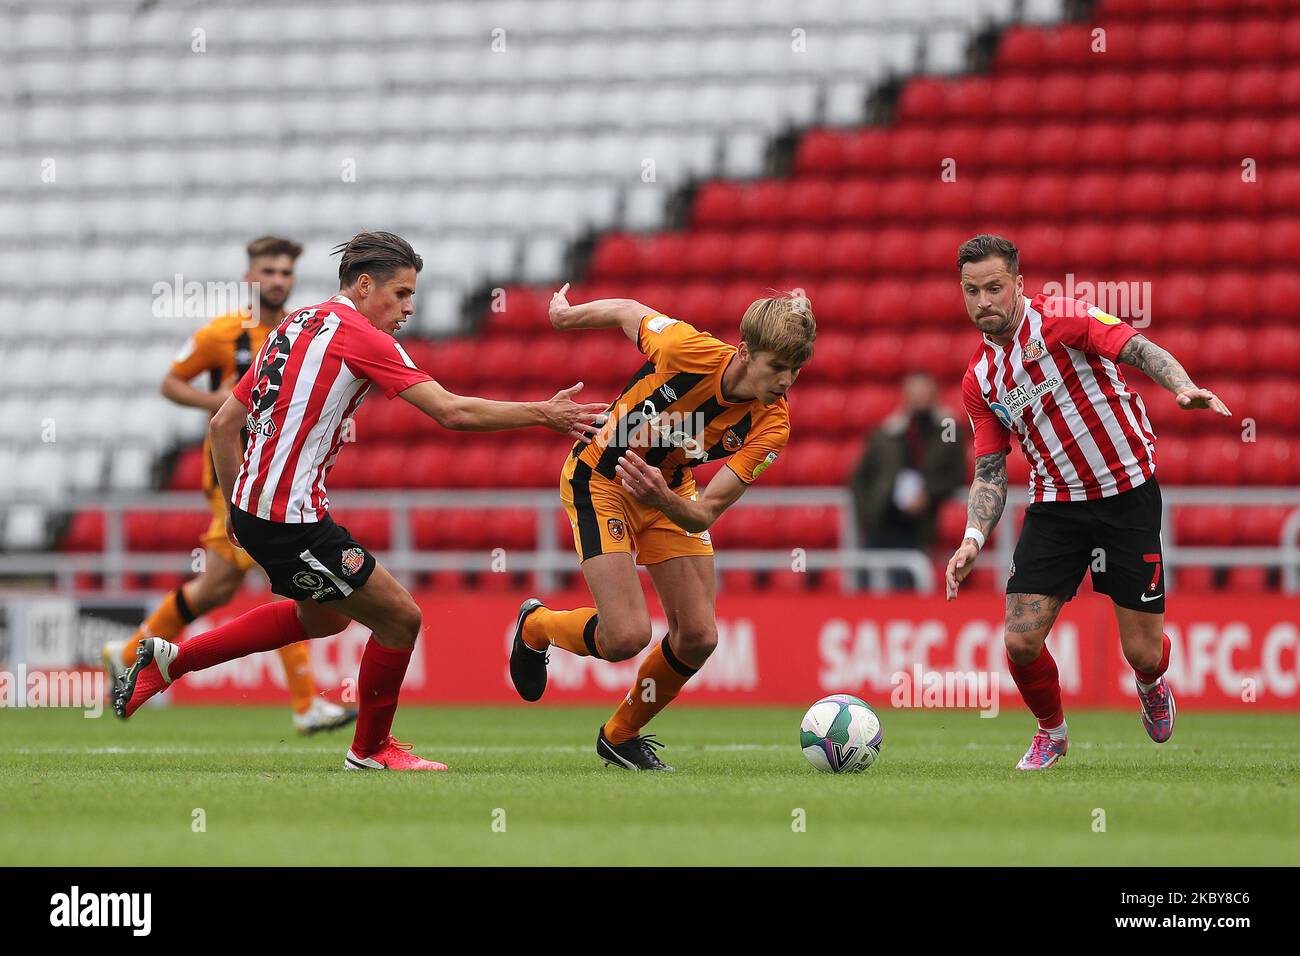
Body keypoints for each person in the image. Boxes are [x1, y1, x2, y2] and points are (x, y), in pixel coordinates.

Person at [113, 232, 606, 771]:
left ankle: (171, 662)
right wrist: (543, 414)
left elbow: (222, 424)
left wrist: (237, 507)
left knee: (323, 618)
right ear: (365, 285)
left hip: (261, 510)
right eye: (400, 294)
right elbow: (451, 412)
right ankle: (370, 750)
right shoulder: (361, 338)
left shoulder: (293, 323)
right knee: (401, 619)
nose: (409, 308)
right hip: (289, 518)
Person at [944, 234, 1231, 770]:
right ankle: (1051, 732)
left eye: (994, 287)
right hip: (1058, 504)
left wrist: (1183, 386)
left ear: (1018, 285)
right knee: (1020, 639)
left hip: (1128, 493)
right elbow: (989, 468)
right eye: (971, 290)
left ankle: (1151, 682)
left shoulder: (1064, 319)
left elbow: (1137, 348)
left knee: (1142, 652)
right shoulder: (979, 381)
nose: (983, 301)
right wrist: (971, 539)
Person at [506, 284, 815, 770]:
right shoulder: (684, 349)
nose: (786, 381)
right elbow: (628, 311)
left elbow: (707, 513)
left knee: (699, 636)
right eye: (777, 367)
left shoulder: (771, 425)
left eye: (796, 371)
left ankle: (620, 735)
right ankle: (536, 626)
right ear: (745, 352)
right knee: (625, 637)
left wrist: (662, 496)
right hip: (600, 478)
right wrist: (566, 319)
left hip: (670, 493)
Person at [101, 236, 356, 734]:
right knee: (283, 571)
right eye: (269, 271)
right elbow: (171, 382)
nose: (278, 280)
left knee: (217, 587)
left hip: (275, 474)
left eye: (286, 272)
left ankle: (130, 652)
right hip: (233, 477)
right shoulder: (223, 334)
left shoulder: (299, 333)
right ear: (249, 278)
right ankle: (306, 704)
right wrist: (217, 400)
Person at [849, 371, 966, 589]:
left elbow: (957, 474)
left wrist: (928, 494)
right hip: (882, 518)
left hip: (918, 523)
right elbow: (859, 478)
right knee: (865, 580)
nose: (920, 397)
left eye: (925, 391)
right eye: (915, 392)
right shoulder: (887, 432)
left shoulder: (948, 429)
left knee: (908, 583)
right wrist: (869, 511)